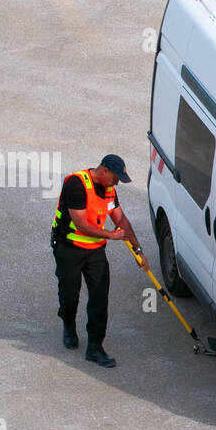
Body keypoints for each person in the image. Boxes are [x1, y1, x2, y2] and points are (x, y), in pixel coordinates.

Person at [50, 155, 147, 368]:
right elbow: (82, 223)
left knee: (99, 298)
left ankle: (95, 347)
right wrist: (111, 236)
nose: (117, 183)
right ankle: (68, 324)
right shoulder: (76, 184)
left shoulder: (110, 190)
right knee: (69, 294)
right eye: (115, 177)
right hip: (69, 249)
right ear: (104, 171)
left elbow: (121, 220)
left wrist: (138, 251)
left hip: (95, 252)